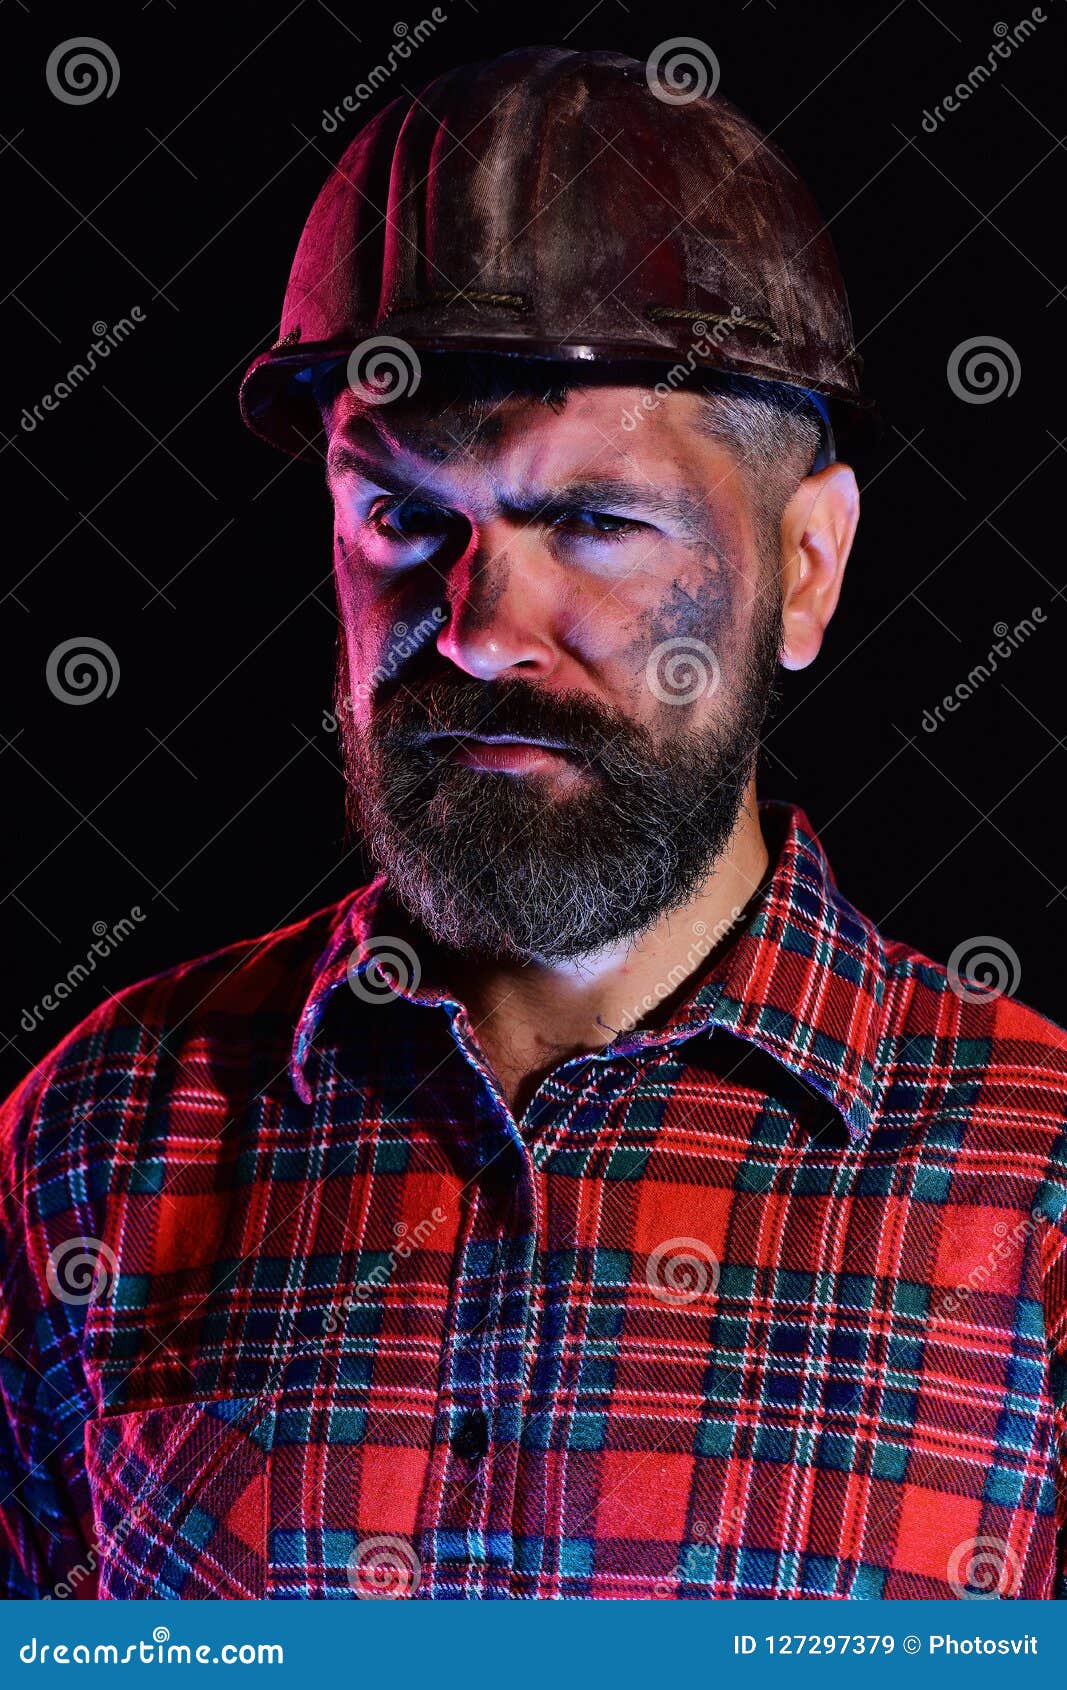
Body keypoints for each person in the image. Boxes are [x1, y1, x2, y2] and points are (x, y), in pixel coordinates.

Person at [2, 45, 1066, 1602]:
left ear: (807, 568)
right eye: (405, 519)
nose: (482, 629)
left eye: (591, 520)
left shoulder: (1037, 1195)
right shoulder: (90, 1144)